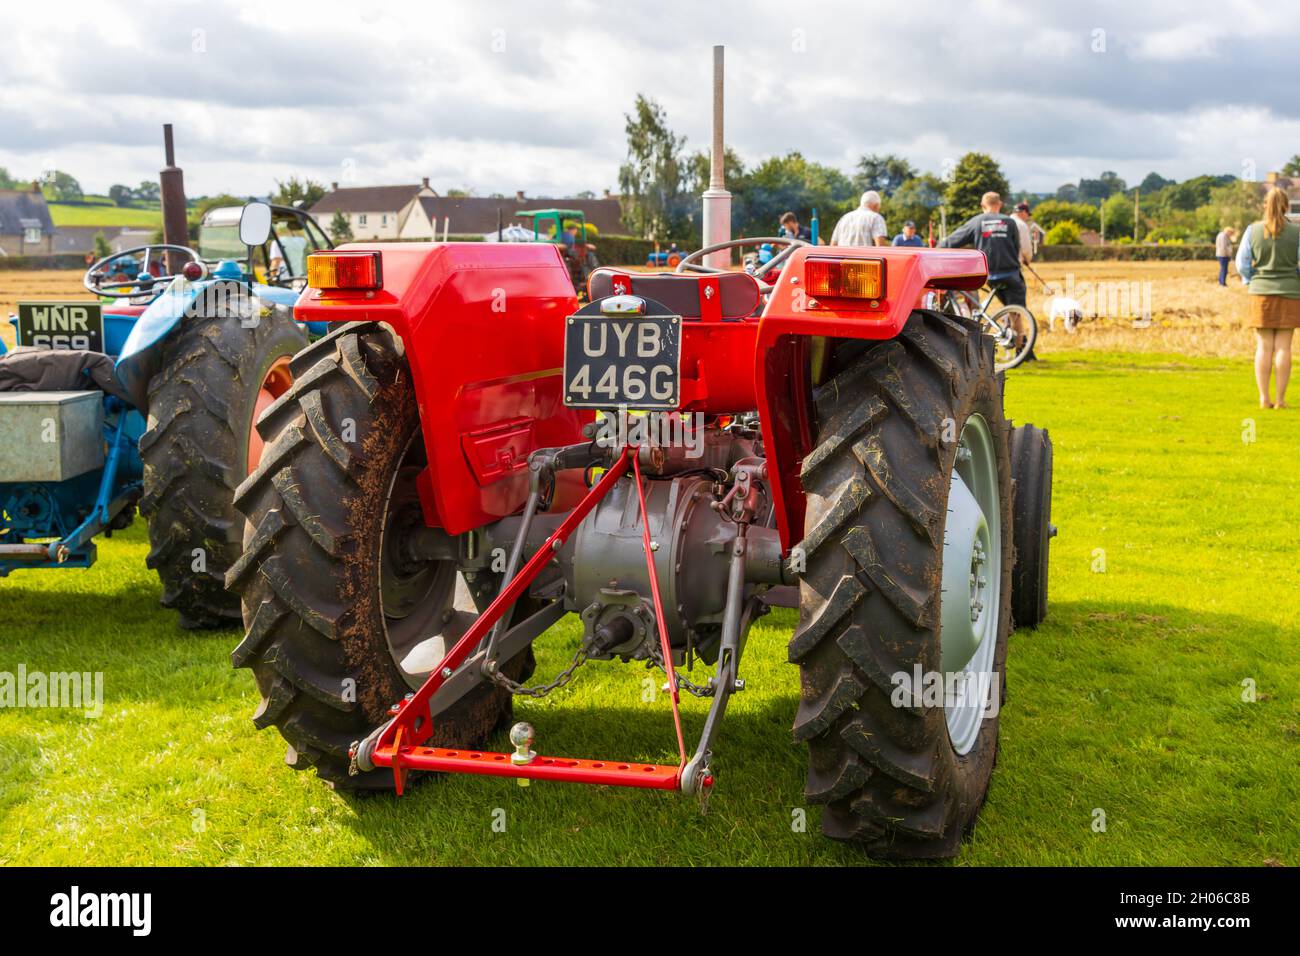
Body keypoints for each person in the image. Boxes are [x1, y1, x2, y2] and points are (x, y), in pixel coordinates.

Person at [941, 191, 1035, 361]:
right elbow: (1016, 248)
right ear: (999, 205)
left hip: (988, 275)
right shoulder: (1010, 222)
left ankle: (978, 336)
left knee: (980, 306)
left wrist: (934, 249)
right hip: (1011, 273)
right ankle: (1022, 351)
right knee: (1016, 310)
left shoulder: (977, 221)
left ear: (983, 206)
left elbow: (951, 241)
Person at [1235, 187, 1299, 409]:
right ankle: (1280, 400)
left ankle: (1264, 399)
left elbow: (1241, 263)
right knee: (1284, 348)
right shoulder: (1297, 232)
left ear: (1265, 205)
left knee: (1263, 347)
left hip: (1260, 292)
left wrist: (1251, 280)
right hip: (1290, 293)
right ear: (1286, 206)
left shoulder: (1252, 230)